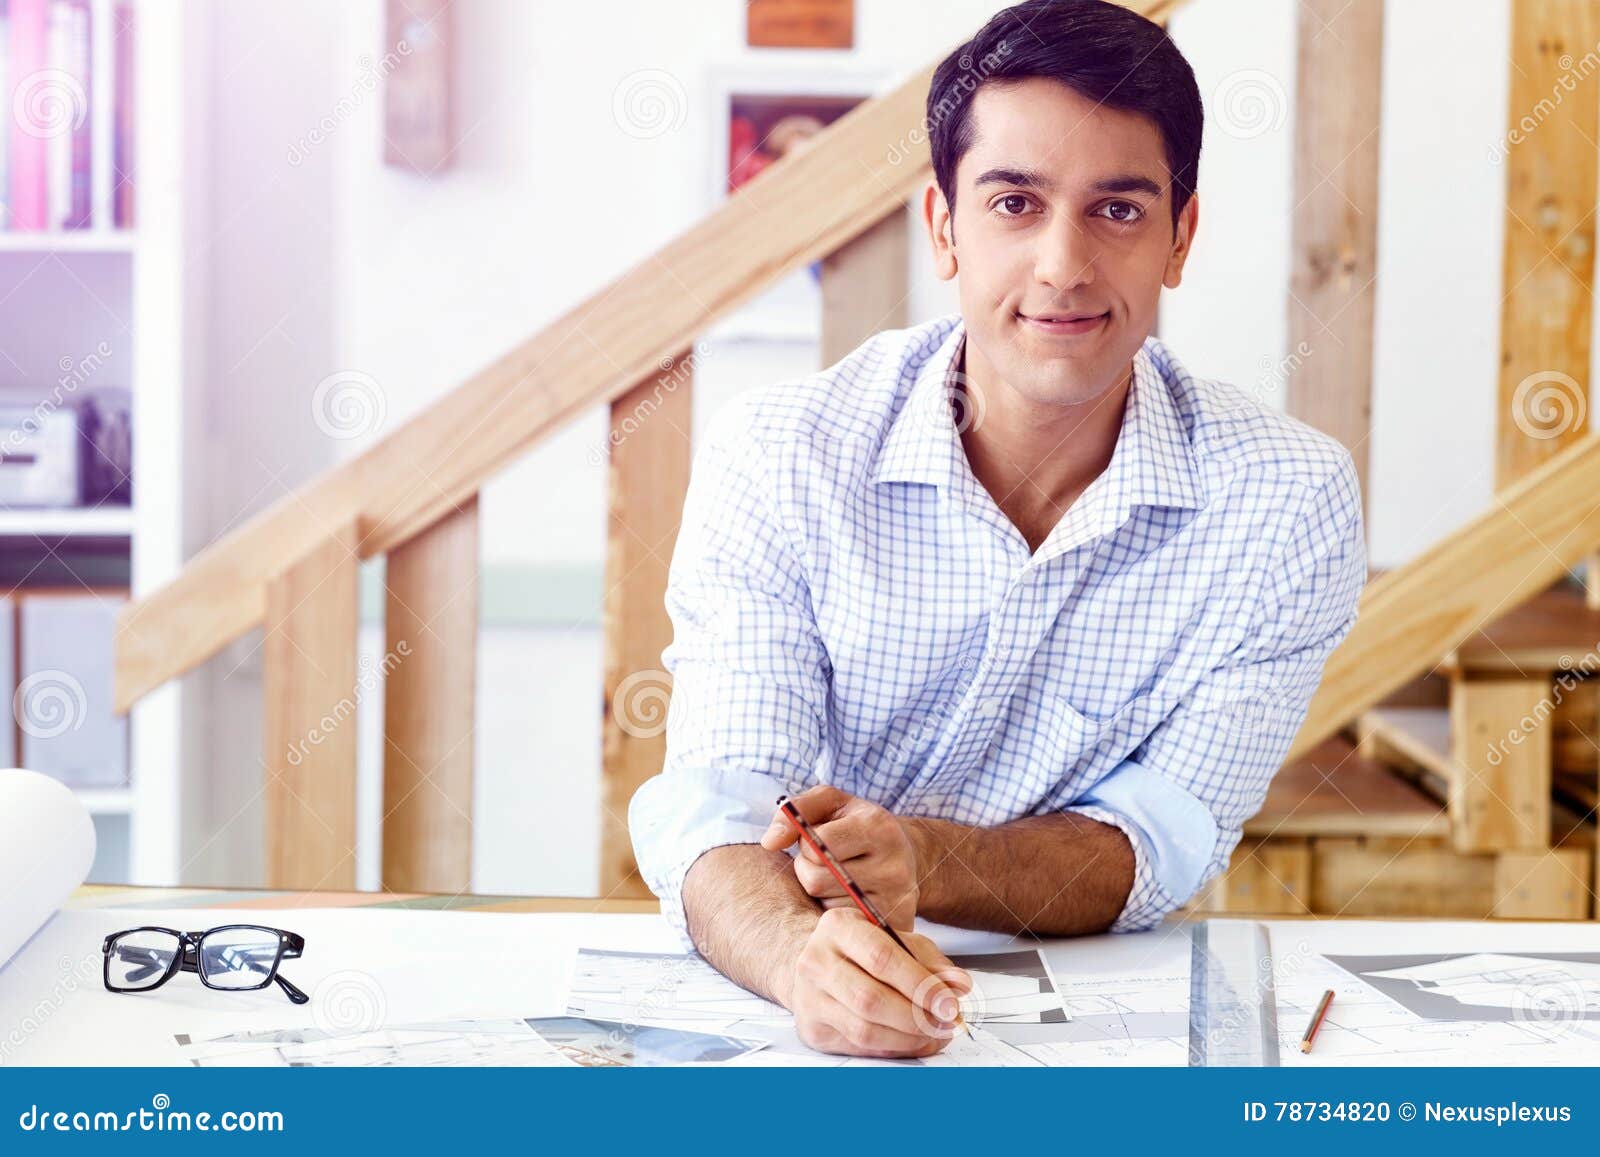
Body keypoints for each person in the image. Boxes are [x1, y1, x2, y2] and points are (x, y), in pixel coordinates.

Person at [629, 0, 1365, 1059]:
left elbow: (1165, 836)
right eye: (1015, 203)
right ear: (944, 227)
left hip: (1105, 1023)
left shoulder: (1286, 501)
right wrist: (801, 962)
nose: (1063, 264)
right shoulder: (781, 454)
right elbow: (718, 809)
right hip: (798, 1003)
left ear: (1179, 237)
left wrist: (922, 857)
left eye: (1118, 209)